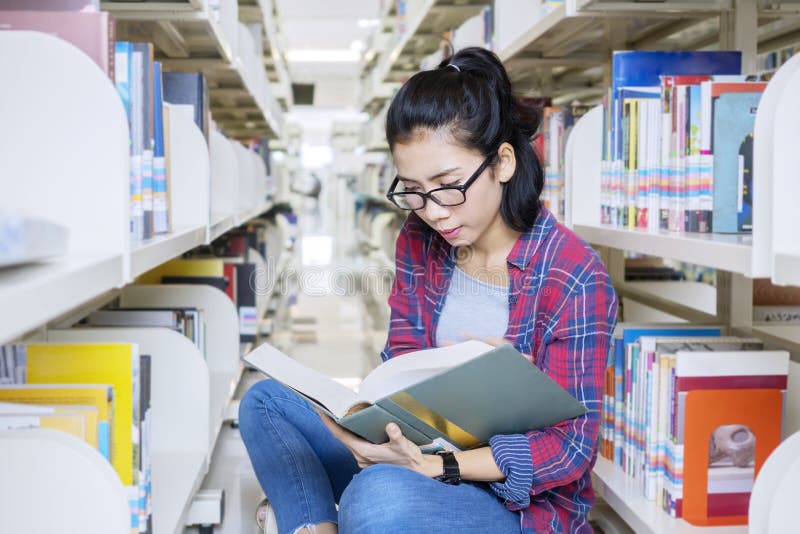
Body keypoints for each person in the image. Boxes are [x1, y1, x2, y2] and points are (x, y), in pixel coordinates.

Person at [239, 47, 618, 534]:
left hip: (506, 500)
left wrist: (439, 468)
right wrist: (376, 432)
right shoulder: (419, 239)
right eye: (413, 190)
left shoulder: (574, 275)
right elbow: (401, 360)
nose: (432, 210)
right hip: (416, 451)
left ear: (502, 162)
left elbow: (570, 450)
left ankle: (339, 510)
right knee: (266, 402)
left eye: (447, 185)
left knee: (377, 500)